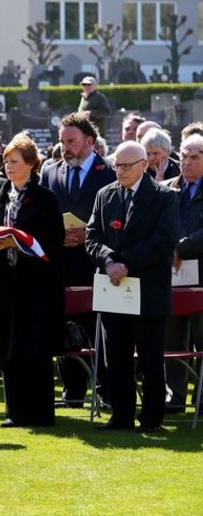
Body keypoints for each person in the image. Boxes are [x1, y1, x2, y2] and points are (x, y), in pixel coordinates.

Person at [86, 141, 178, 432]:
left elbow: (163, 240)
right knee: (116, 357)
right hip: (113, 289)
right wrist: (109, 261)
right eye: (117, 166)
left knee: (150, 358)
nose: (121, 171)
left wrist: (124, 262)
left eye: (126, 166)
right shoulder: (105, 195)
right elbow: (92, 237)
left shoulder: (164, 197)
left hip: (147, 288)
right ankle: (121, 415)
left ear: (143, 165)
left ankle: (151, 419)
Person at [0, 135, 65, 427]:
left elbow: (53, 242)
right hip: (4, 284)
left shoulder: (45, 199)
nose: (8, 166)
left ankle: (40, 413)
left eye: (14, 161)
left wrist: (19, 245)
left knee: (35, 349)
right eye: (6, 161)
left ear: (31, 164)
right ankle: (14, 412)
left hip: (36, 286)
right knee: (8, 348)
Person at [40, 112, 115, 407]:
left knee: (99, 332)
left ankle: (103, 390)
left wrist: (89, 235)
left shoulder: (108, 173)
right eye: (61, 141)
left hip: (95, 266)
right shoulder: (50, 172)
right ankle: (72, 391)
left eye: (71, 141)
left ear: (90, 141)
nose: (64, 147)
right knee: (63, 328)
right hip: (60, 266)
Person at [162, 134, 203, 413]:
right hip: (171, 277)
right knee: (171, 339)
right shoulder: (167, 190)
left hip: (201, 277)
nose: (186, 163)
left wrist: (181, 247)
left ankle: (202, 401)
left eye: (195, 157)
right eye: (183, 156)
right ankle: (174, 397)